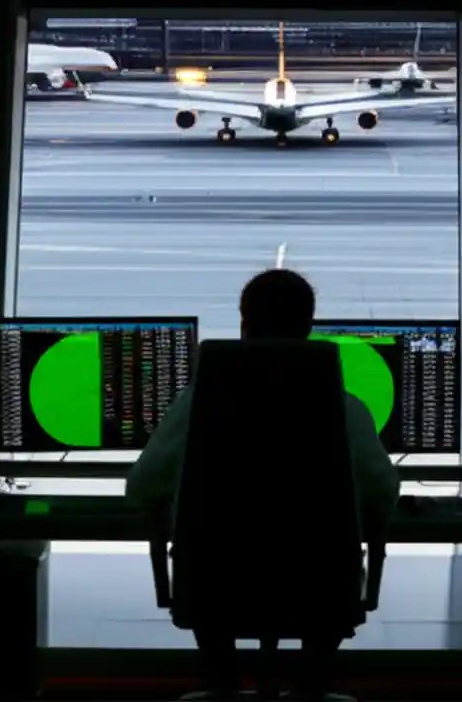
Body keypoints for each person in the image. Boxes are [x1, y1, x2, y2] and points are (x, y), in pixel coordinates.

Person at [125, 268, 401, 702]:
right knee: (322, 600)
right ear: (308, 327)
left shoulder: (193, 407)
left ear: (244, 323)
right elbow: (382, 497)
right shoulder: (347, 411)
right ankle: (311, 687)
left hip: (215, 587)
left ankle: (221, 686)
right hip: (319, 588)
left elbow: (142, 490)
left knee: (215, 599)